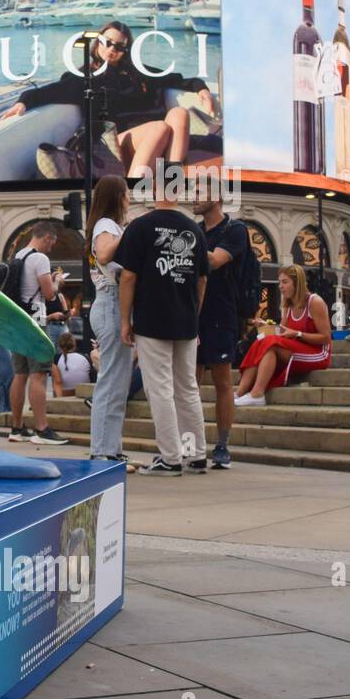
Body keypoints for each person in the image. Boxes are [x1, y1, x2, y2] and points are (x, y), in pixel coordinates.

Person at [1, 21, 215, 178]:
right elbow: (51, 90)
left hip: (152, 142)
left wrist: (201, 88)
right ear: (98, 42)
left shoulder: (138, 73)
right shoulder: (84, 76)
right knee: (159, 127)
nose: (112, 49)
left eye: (119, 46)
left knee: (178, 113)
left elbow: (178, 79)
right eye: (108, 42)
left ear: (125, 51)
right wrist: (24, 101)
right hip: (112, 146)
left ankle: (172, 178)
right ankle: (131, 190)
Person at [116, 188, 209, 476]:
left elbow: (128, 276)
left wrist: (124, 320)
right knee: (187, 388)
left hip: (152, 318)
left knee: (160, 389)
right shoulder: (194, 229)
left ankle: (170, 458)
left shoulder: (140, 226)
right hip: (186, 321)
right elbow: (202, 280)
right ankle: (195, 455)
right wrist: (194, 314)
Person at [193, 190, 249, 469]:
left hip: (221, 313)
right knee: (189, 382)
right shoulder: (195, 230)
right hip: (193, 313)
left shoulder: (235, 229)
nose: (194, 197)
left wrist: (180, 246)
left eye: (200, 193)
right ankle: (191, 444)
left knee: (222, 381)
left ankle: (222, 445)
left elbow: (214, 261)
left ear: (216, 197)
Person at [85, 175, 134, 466]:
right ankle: (102, 449)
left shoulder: (109, 226)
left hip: (112, 305)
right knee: (111, 380)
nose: (129, 199)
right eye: (126, 194)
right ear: (117, 197)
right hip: (111, 304)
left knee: (118, 381)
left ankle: (110, 448)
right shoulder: (107, 226)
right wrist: (130, 232)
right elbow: (104, 255)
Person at [8, 221, 69, 445]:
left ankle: (16, 428)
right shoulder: (40, 258)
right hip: (35, 320)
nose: (50, 248)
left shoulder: (18, 255)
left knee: (20, 374)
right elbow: (49, 294)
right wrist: (56, 281)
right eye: (51, 243)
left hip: (17, 321)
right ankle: (42, 429)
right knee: (39, 374)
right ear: (45, 238)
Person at [235, 265, 331, 405]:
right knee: (263, 341)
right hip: (296, 347)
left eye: (285, 282)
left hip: (318, 353)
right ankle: (240, 393)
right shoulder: (287, 304)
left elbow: (325, 337)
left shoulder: (315, 302)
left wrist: (298, 334)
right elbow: (283, 332)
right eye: (280, 282)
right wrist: (267, 326)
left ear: (297, 283)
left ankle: (256, 393)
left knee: (270, 343)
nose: (280, 286)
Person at [51, 331, 90, 397]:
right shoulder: (85, 357)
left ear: (59, 345)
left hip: (64, 394)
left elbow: (57, 381)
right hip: (84, 394)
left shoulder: (56, 359)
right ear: (74, 344)